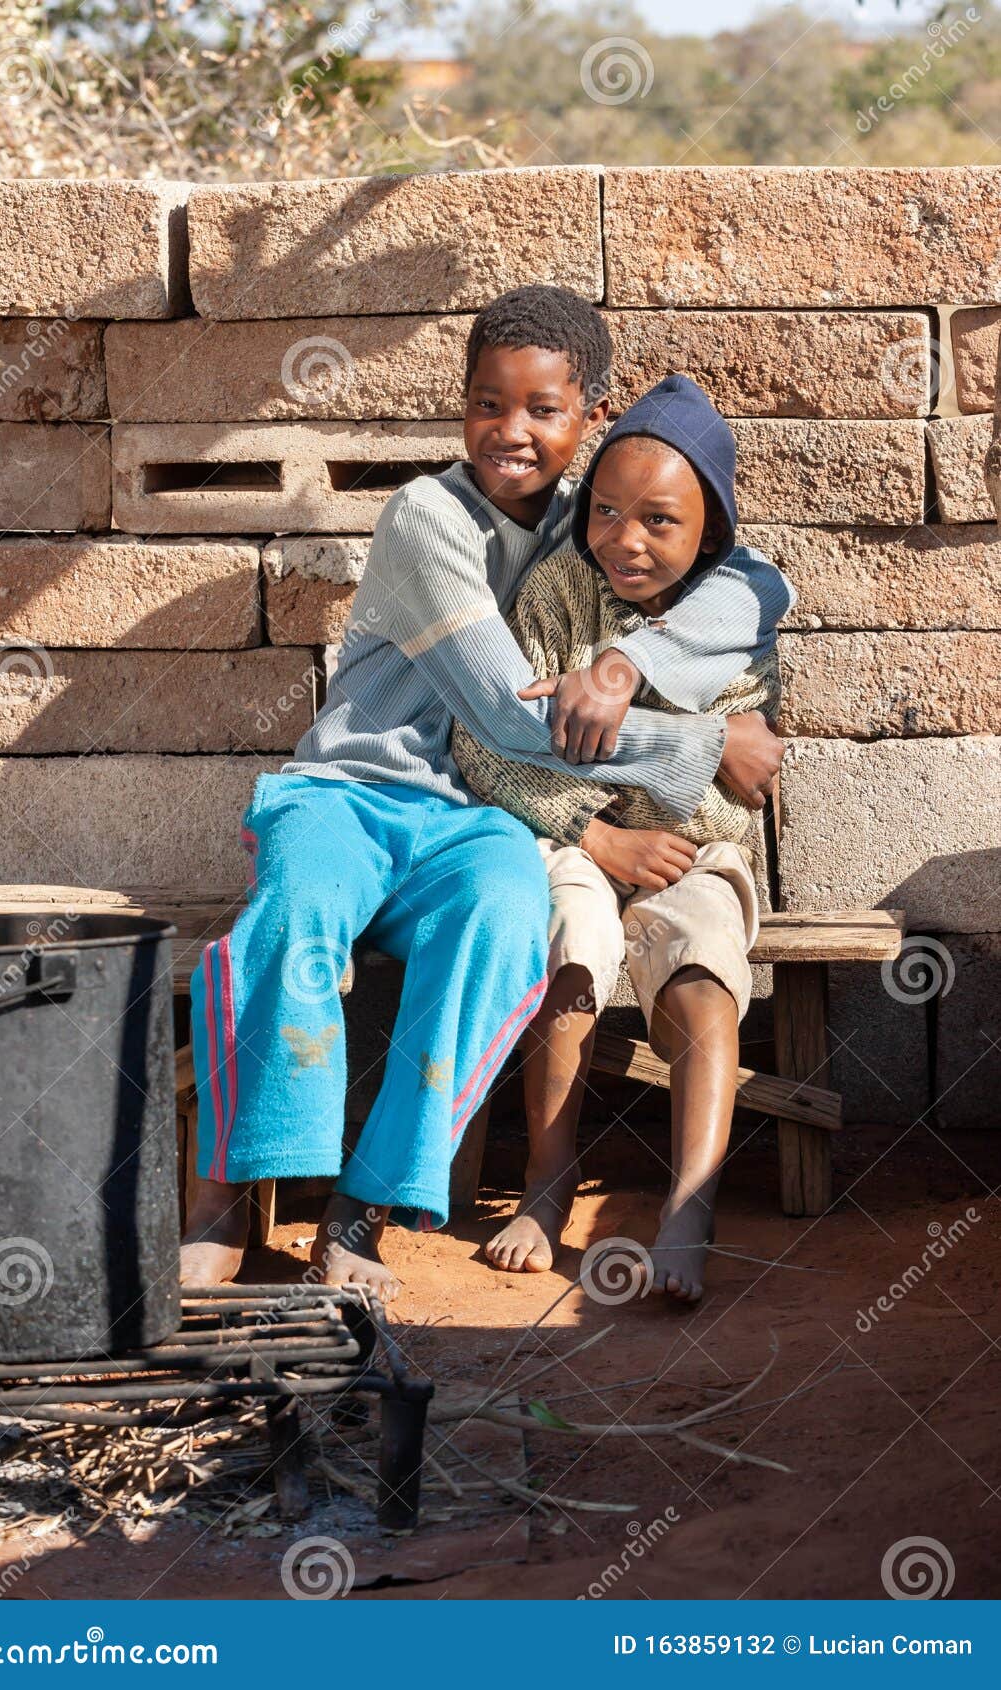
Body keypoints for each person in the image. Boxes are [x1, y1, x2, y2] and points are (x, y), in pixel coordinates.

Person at [180, 290, 789, 1304]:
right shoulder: (429, 519)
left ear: (589, 419)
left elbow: (758, 580)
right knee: (296, 915)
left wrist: (630, 667)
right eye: (486, 404)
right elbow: (511, 722)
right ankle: (220, 1197)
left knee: (507, 920)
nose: (512, 431)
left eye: (541, 410)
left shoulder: (582, 518)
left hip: (474, 817)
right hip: (353, 792)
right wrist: (701, 742)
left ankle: (361, 1210)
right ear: (459, 408)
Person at [453, 375, 786, 1303]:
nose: (624, 540)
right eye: (604, 511)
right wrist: (594, 833)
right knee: (570, 944)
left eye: (658, 521)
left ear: (709, 533)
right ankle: (548, 1181)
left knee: (702, 960)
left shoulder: (734, 620)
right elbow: (490, 748)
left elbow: (738, 790)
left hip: (693, 849)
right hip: (575, 842)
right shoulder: (556, 592)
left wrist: (610, 741)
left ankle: (689, 1206)